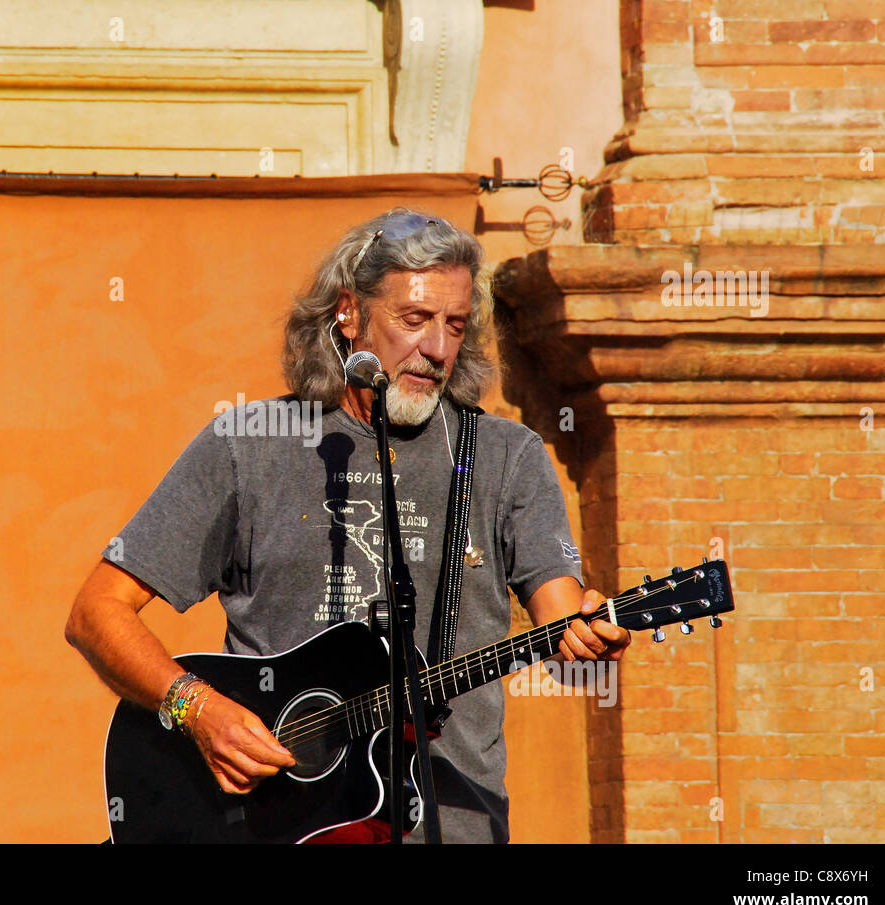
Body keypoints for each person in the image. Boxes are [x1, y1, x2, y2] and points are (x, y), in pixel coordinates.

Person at [65, 208, 631, 842]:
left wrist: (590, 642)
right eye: (414, 320)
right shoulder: (249, 446)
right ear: (349, 313)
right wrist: (198, 710)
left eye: (454, 325)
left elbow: (568, 644)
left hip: (452, 829)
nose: (438, 349)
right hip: (272, 827)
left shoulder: (507, 458)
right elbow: (96, 612)